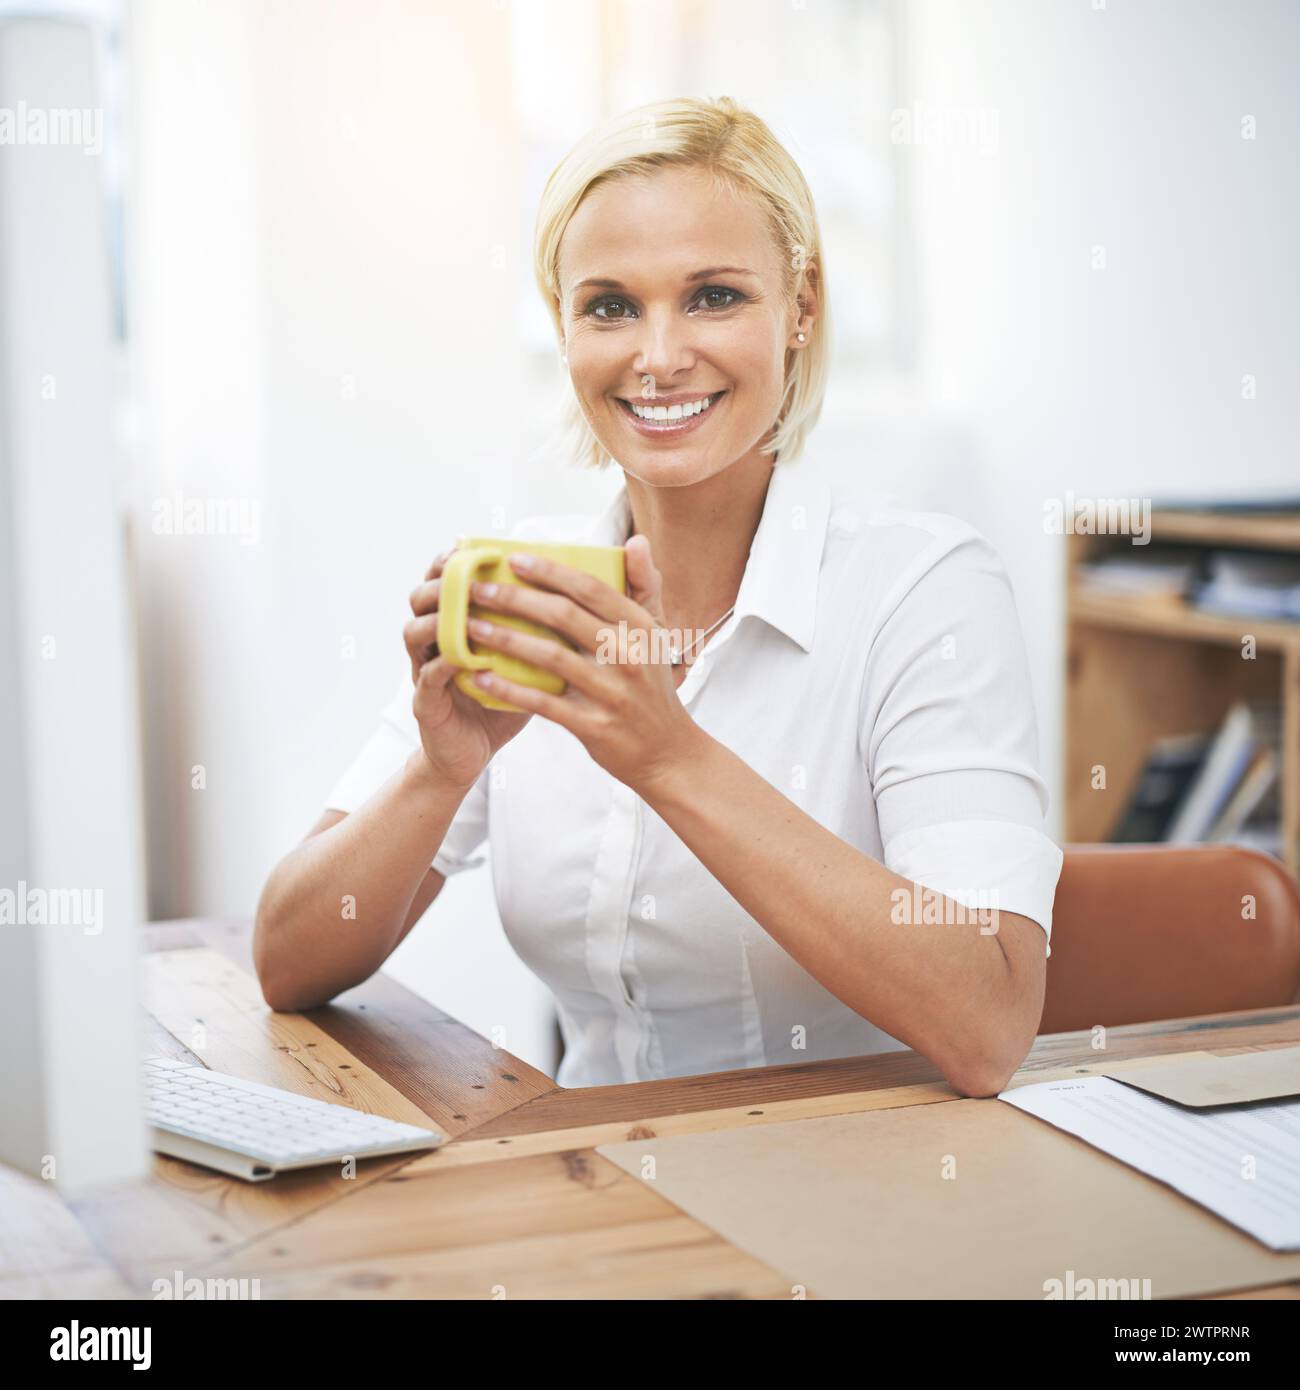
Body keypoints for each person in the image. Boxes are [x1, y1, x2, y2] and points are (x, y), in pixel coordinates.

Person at [254, 95, 1064, 1097]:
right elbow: (287, 959)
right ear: (562, 327)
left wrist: (670, 757)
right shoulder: (532, 594)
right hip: (598, 1193)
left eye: (714, 296)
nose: (658, 353)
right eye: (609, 305)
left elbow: (988, 1023)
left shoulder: (924, 590)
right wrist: (437, 771)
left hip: (866, 1198)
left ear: (800, 308)